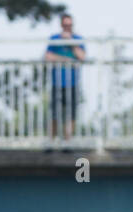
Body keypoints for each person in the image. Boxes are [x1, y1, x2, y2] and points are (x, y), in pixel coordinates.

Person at [45, 13, 86, 142]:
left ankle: (67, 142)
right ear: (61, 25)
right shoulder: (54, 38)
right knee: (54, 114)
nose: (67, 27)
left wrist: (71, 43)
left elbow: (82, 57)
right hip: (57, 82)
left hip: (73, 82)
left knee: (71, 114)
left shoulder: (78, 39)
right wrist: (66, 59)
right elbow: (48, 56)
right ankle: (51, 142)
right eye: (65, 25)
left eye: (69, 25)